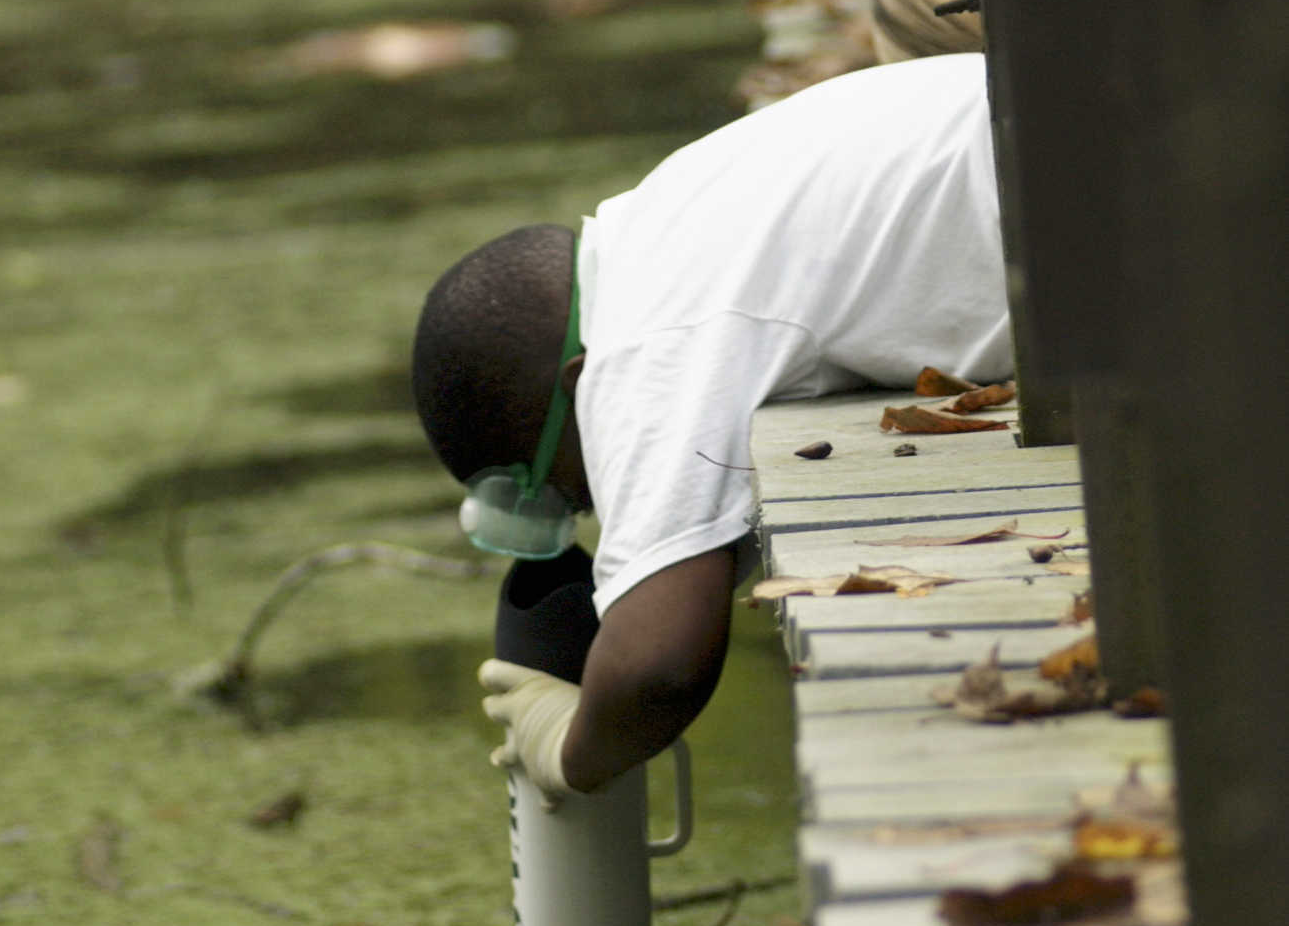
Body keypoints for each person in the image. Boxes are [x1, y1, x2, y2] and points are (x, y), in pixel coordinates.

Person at [411, 52, 1011, 803]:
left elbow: (659, 666)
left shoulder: (639, 344)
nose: (596, 511)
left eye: (569, 493)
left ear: (579, 387)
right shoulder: (667, 220)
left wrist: (568, 752)